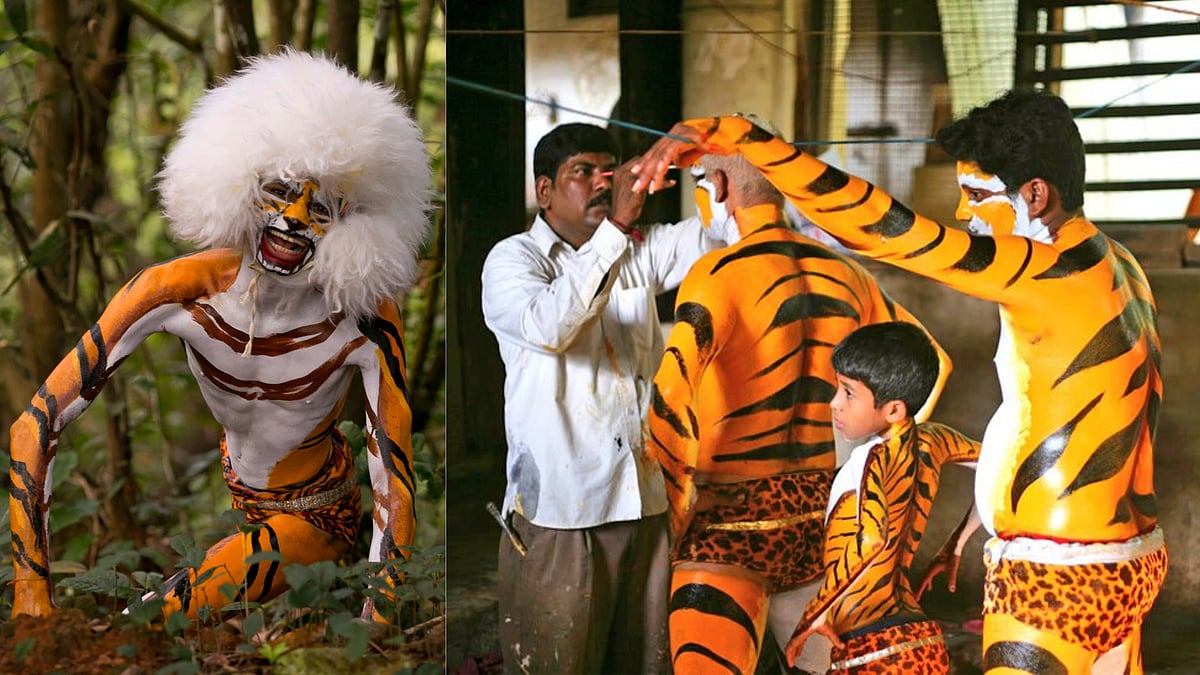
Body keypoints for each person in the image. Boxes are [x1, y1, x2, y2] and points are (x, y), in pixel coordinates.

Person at [633, 88, 1166, 673]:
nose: (965, 215)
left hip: (1057, 570)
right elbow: (1048, 419)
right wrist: (957, 509)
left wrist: (738, 134)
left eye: (977, 198)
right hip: (1130, 557)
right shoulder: (1121, 265)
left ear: (1035, 195)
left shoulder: (1048, 269)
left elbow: (887, 229)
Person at [8, 50, 432, 620]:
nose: (294, 219)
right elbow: (34, 424)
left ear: (355, 223)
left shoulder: (362, 318)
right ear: (239, 184)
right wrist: (31, 592)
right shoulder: (174, 289)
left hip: (319, 512)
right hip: (244, 505)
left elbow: (393, 475)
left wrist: (379, 617)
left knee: (154, 621)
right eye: (280, 190)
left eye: (323, 206)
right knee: (175, 614)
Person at [646, 134, 951, 675]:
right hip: (820, 515)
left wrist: (674, 526)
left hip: (729, 525)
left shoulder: (716, 276)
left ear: (718, 187)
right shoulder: (850, 275)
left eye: (700, 184)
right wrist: (879, 468)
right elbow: (935, 363)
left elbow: (669, 402)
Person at [480, 122, 717, 673]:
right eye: (580, 173)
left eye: (608, 171)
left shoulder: (637, 252)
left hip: (644, 498)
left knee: (642, 661)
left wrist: (695, 155)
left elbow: (726, 235)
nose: (601, 183)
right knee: (560, 662)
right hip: (562, 509)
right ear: (544, 192)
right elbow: (550, 327)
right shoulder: (513, 260)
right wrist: (618, 226)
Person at [781, 322, 981, 674]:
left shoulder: (872, 459)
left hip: (873, 649)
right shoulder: (936, 439)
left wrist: (813, 613)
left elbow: (872, 539)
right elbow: (1004, 466)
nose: (834, 403)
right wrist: (957, 544)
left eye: (848, 393)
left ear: (893, 410)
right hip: (924, 640)